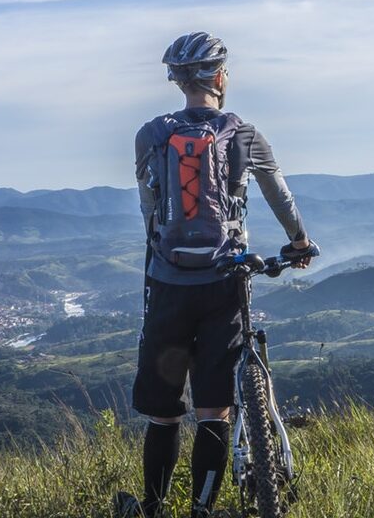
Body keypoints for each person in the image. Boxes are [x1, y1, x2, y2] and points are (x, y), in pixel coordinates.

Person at [118, 31, 317, 518]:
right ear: (221, 76)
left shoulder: (151, 135)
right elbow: (279, 196)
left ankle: (153, 507)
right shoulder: (243, 133)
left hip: (167, 284)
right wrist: (298, 241)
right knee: (214, 409)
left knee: (164, 413)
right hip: (223, 284)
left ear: (177, 80)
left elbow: (149, 208)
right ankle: (202, 510)